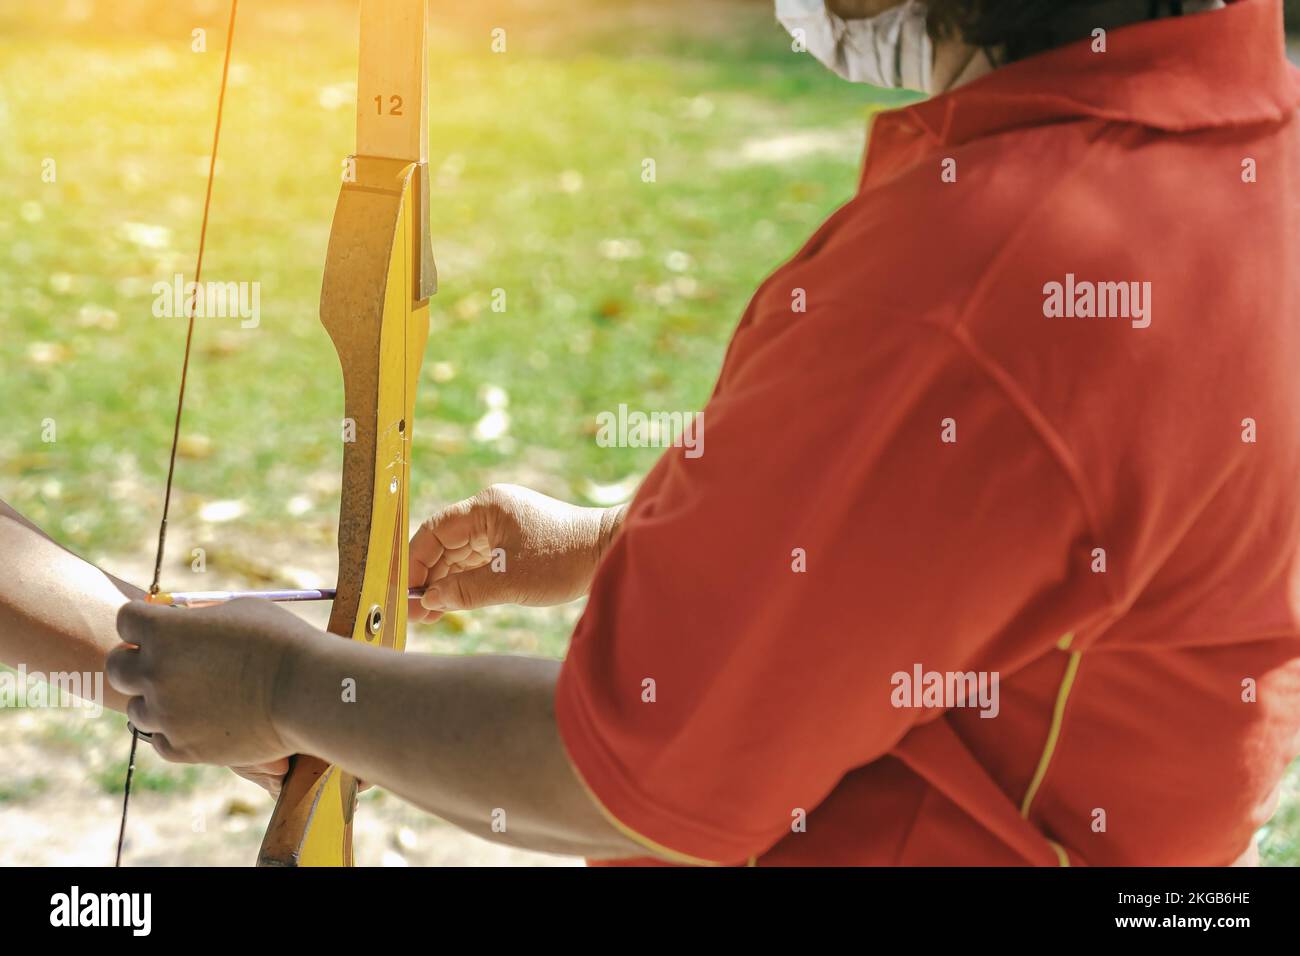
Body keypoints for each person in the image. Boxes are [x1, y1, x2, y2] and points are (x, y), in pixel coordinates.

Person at [105, 0, 1300, 865]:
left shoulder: (988, 277)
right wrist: (607, 541)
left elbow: (616, 784)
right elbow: (1002, 536)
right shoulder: (1244, 157)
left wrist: (289, 686)